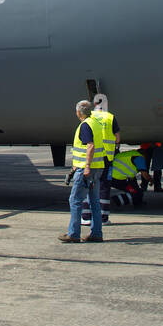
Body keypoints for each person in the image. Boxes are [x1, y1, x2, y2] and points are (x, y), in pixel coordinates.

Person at [60, 101, 104, 243]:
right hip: (98, 168)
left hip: (87, 170)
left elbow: (90, 146)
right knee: (95, 201)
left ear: (79, 112)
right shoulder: (96, 123)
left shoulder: (85, 125)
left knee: (75, 200)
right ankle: (97, 233)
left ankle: (73, 234)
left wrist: (86, 167)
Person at [83, 104, 119, 227]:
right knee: (104, 188)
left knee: (87, 186)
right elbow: (117, 138)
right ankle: (103, 218)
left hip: (93, 157)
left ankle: (86, 217)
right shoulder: (110, 117)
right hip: (107, 158)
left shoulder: (90, 118)